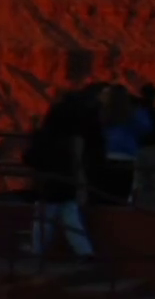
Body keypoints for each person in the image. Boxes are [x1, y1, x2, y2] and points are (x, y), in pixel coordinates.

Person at [23, 86, 99, 258]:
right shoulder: (73, 138)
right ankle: (85, 251)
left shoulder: (44, 136)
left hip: (48, 183)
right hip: (67, 182)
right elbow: (77, 162)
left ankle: (37, 251)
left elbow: (30, 158)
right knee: (71, 218)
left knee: (43, 219)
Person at [95, 84, 153, 205]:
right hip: (127, 156)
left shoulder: (102, 113)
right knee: (125, 195)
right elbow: (146, 129)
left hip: (106, 156)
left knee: (108, 194)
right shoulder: (134, 113)